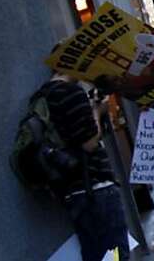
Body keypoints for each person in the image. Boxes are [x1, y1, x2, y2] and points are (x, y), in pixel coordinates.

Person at [40, 74, 130, 261]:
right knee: (115, 256)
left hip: (75, 190)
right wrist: (97, 111)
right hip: (96, 189)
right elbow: (88, 142)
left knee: (95, 255)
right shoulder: (72, 92)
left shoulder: (46, 95)